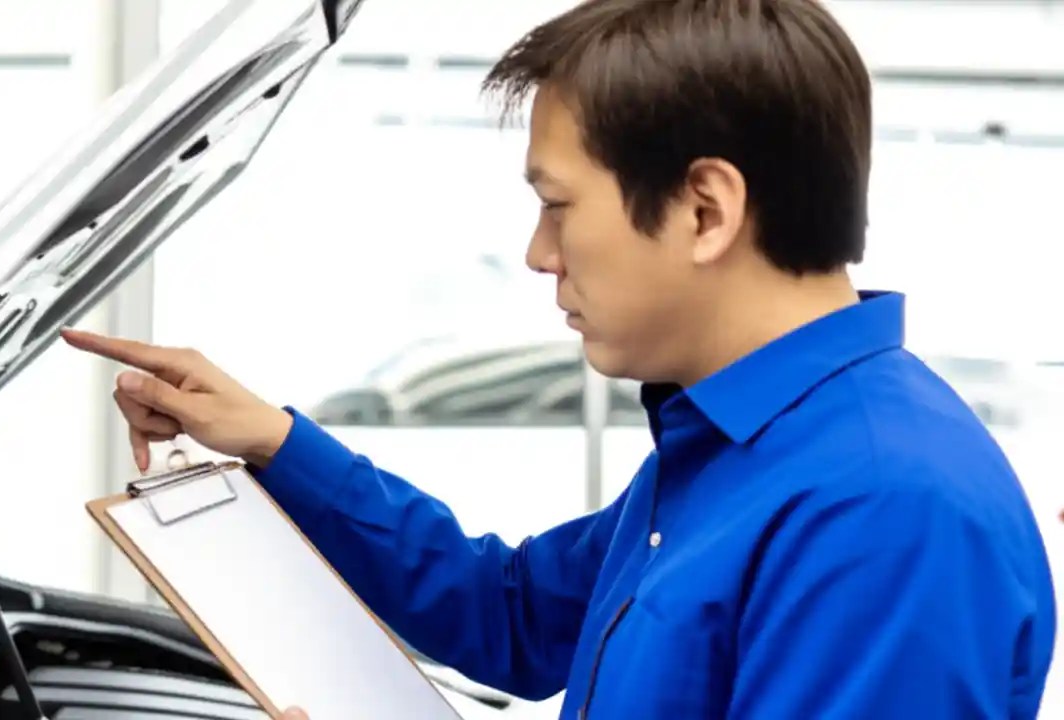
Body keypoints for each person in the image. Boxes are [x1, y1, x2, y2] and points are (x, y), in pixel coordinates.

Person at [61, 0, 1057, 717]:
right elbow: (514, 617)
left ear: (704, 210)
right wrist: (276, 443)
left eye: (556, 204)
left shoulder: (882, 510)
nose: (540, 254)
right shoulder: (737, 450)